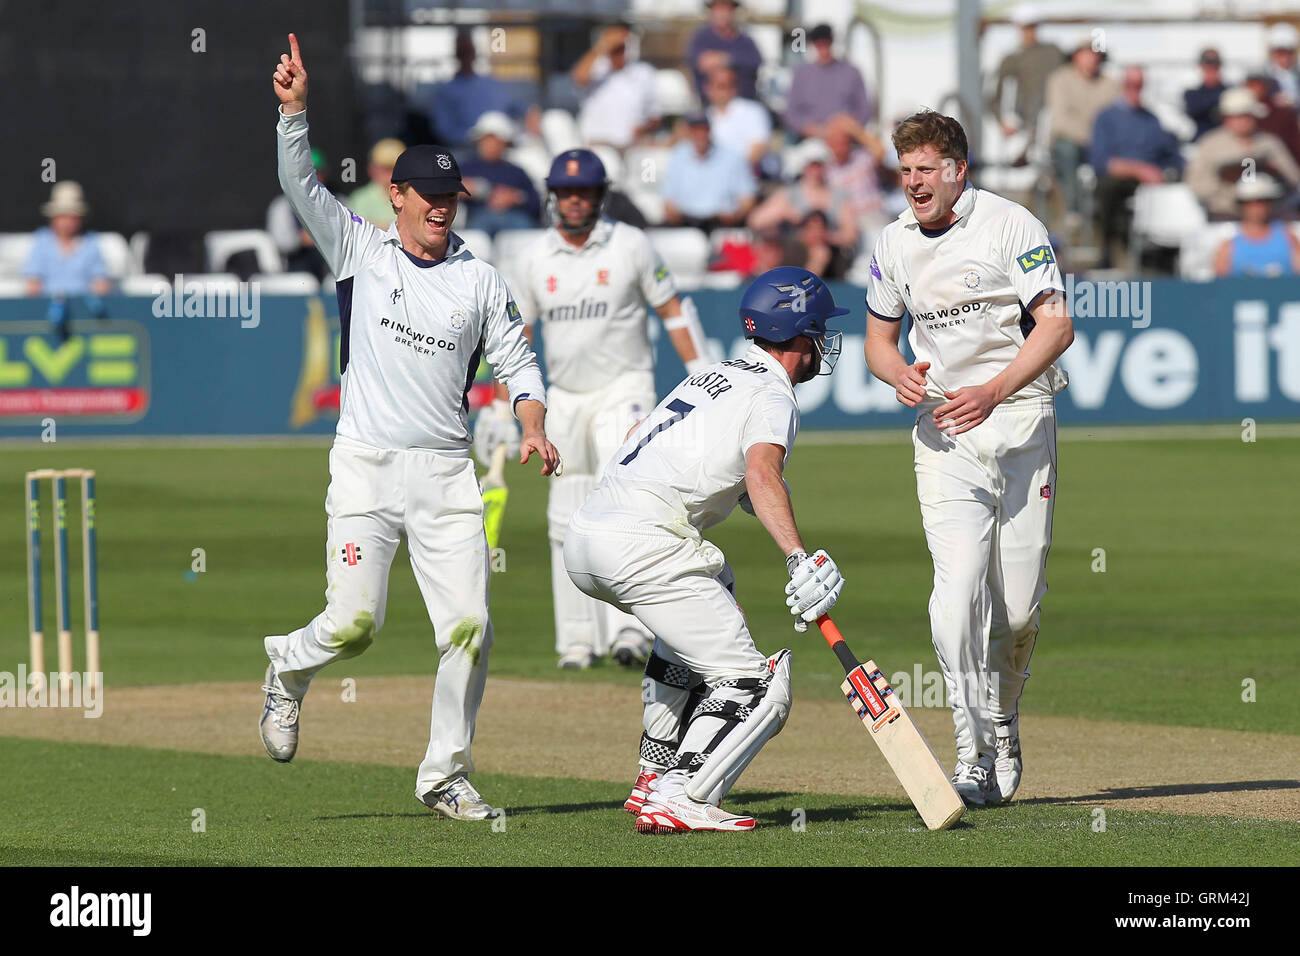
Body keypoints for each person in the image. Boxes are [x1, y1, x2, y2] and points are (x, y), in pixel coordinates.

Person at [260, 34, 559, 821]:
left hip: (444, 474)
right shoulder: (359, 249)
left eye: (450, 196)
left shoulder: (480, 279)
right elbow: (302, 186)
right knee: (355, 626)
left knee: (469, 627)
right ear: (395, 196)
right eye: (426, 193)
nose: (439, 205)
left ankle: (444, 773)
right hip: (365, 465)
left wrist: (531, 423)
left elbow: (520, 366)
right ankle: (287, 669)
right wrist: (295, 113)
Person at [564, 265, 848, 833]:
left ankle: (655, 769)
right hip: (642, 544)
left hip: (588, 536)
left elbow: (662, 447)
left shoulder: (713, 375)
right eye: (820, 333)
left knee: (711, 600)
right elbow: (762, 476)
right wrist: (798, 558)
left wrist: (780, 528)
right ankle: (683, 792)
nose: (824, 345)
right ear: (803, 333)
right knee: (754, 682)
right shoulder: (772, 393)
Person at [863, 110, 1075, 807]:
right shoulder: (892, 243)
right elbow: (879, 340)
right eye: (905, 171)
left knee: (1013, 616)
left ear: (958, 170)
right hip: (943, 436)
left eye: (926, 169)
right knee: (953, 603)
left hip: (1018, 422)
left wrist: (994, 390)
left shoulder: (1011, 225)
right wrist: (895, 373)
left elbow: (1056, 324)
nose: (914, 182)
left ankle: (1005, 719)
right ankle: (971, 751)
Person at [484, 149, 709, 670]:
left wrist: (700, 375)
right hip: (562, 395)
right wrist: (500, 409)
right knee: (565, 513)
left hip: (623, 387)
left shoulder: (630, 245)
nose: (575, 201)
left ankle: (630, 628)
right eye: (566, 192)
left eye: (584, 191)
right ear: (553, 197)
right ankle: (577, 642)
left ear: (600, 195)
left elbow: (673, 311)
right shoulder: (534, 258)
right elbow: (516, 341)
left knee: (626, 500)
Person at [1089, 66, 1184, 268]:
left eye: (1139, 85)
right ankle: (1108, 248)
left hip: (1153, 179)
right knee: (1107, 189)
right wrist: (1139, 170)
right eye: (1131, 84)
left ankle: (1166, 255)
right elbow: (1101, 161)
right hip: (1121, 179)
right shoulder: (1106, 117)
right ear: (1122, 86)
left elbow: (1169, 153)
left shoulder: (1151, 120)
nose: (1135, 89)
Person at [1186, 86, 1300, 220]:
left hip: (1271, 213)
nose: (1245, 121)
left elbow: (1293, 178)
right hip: (1226, 213)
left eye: (1248, 116)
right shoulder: (1210, 144)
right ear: (1226, 118)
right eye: (1239, 116)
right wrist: (1229, 189)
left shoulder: (1269, 142)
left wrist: (1274, 174)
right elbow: (1196, 183)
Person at [1045, 38, 1119, 222]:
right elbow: (1061, 121)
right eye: (1088, 54)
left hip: (1103, 145)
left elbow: (1115, 119)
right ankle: (1073, 210)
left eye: (1096, 55)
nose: (1092, 59)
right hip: (1072, 142)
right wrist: (1094, 136)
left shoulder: (1110, 84)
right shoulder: (1060, 80)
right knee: (1066, 151)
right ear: (1076, 56)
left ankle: (1107, 212)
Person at [661, 113, 757, 230]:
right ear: (689, 133)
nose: (700, 135)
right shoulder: (678, 155)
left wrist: (736, 216)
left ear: (710, 131)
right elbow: (668, 201)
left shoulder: (732, 156)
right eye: (695, 131)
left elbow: (747, 199)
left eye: (703, 130)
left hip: (721, 223)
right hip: (686, 222)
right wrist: (674, 217)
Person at [987, 4, 1064, 149]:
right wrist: (1003, 122)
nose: (1030, 31)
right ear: (1018, 27)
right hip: (1022, 127)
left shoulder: (1053, 53)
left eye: (1033, 26)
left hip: (1054, 124)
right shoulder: (1011, 58)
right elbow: (994, 94)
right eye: (1026, 27)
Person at [573, 22, 660, 151]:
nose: (618, 51)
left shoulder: (644, 73)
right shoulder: (596, 69)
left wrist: (642, 129)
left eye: (622, 47)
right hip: (599, 146)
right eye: (615, 47)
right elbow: (578, 77)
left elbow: (655, 116)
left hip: (632, 147)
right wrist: (603, 46)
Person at [427, 30, 519, 148]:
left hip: (500, 150)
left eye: (469, 51)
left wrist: (530, 113)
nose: (467, 56)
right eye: (463, 52)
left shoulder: (492, 83)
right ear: (457, 55)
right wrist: (478, 139)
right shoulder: (445, 91)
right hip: (466, 152)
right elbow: (444, 130)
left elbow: (516, 106)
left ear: (474, 53)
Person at [783, 23, 873, 140]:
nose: (823, 49)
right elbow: (791, 114)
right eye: (819, 45)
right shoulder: (801, 74)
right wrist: (812, 130)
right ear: (813, 45)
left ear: (832, 43)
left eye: (826, 44)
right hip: (810, 141)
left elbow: (864, 110)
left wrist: (845, 127)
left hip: (846, 141)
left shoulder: (851, 72)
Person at [458, 111, 541, 237]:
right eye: (486, 140)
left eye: (495, 140)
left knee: (523, 229)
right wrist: (459, 190)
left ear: (505, 143)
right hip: (479, 219)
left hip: (514, 220)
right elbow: (445, 194)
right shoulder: (466, 168)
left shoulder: (516, 171)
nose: (490, 145)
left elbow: (536, 203)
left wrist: (516, 198)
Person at [23, 181, 112, 299]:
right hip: (48, 310)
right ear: (54, 218)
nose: (68, 222)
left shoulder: (91, 242)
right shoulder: (42, 241)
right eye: (63, 216)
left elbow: (101, 282)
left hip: (84, 310)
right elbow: (32, 283)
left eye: (73, 217)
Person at [1214, 175, 1300, 276]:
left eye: (1262, 201)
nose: (1257, 208)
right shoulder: (1228, 246)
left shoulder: (1289, 240)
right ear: (1242, 205)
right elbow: (1220, 284)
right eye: (1251, 202)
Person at [267, 147, 332, 278]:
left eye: (316, 173)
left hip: (332, 268)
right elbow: (281, 242)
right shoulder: (282, 206)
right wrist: (302, 239)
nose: (312, 178)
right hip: (297, 267)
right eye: (306, 173)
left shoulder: (337, 202)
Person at [686, 0, 763, 102]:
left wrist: (725, 59)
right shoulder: (701, 39)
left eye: (726, 9)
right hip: (710, 106)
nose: (722, 14)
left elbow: (755, 61)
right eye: (718, 9)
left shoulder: (744, 40)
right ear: (711, 11)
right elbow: (699, 62)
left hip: (744, 104)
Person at [704, 66, 772, 170]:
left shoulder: (753, 111)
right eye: (720, 86)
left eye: (730, 85)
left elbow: (758, 150)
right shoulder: (702, 117)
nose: (725, 91)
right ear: (708, 88)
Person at [346, 138, 406, 229]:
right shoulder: (360, 199)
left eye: (396, 169)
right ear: (372, 169)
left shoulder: (412, 197)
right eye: (386, 169)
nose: (392, 174)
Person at [1184, 49, 1227, 141]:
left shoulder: (1229, 91)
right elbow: (1194, 110)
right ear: (1201, 66)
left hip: (1227, 141)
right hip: (1203, 140)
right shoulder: (1193, 94)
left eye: (1215, 66)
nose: (1211, 70)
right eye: (1208, 66)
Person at [1264, 22, 1300, 106]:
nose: (1285, 58)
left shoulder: (1296, 76)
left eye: (1289, 53)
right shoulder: (1264, 78)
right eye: (1281, 54)